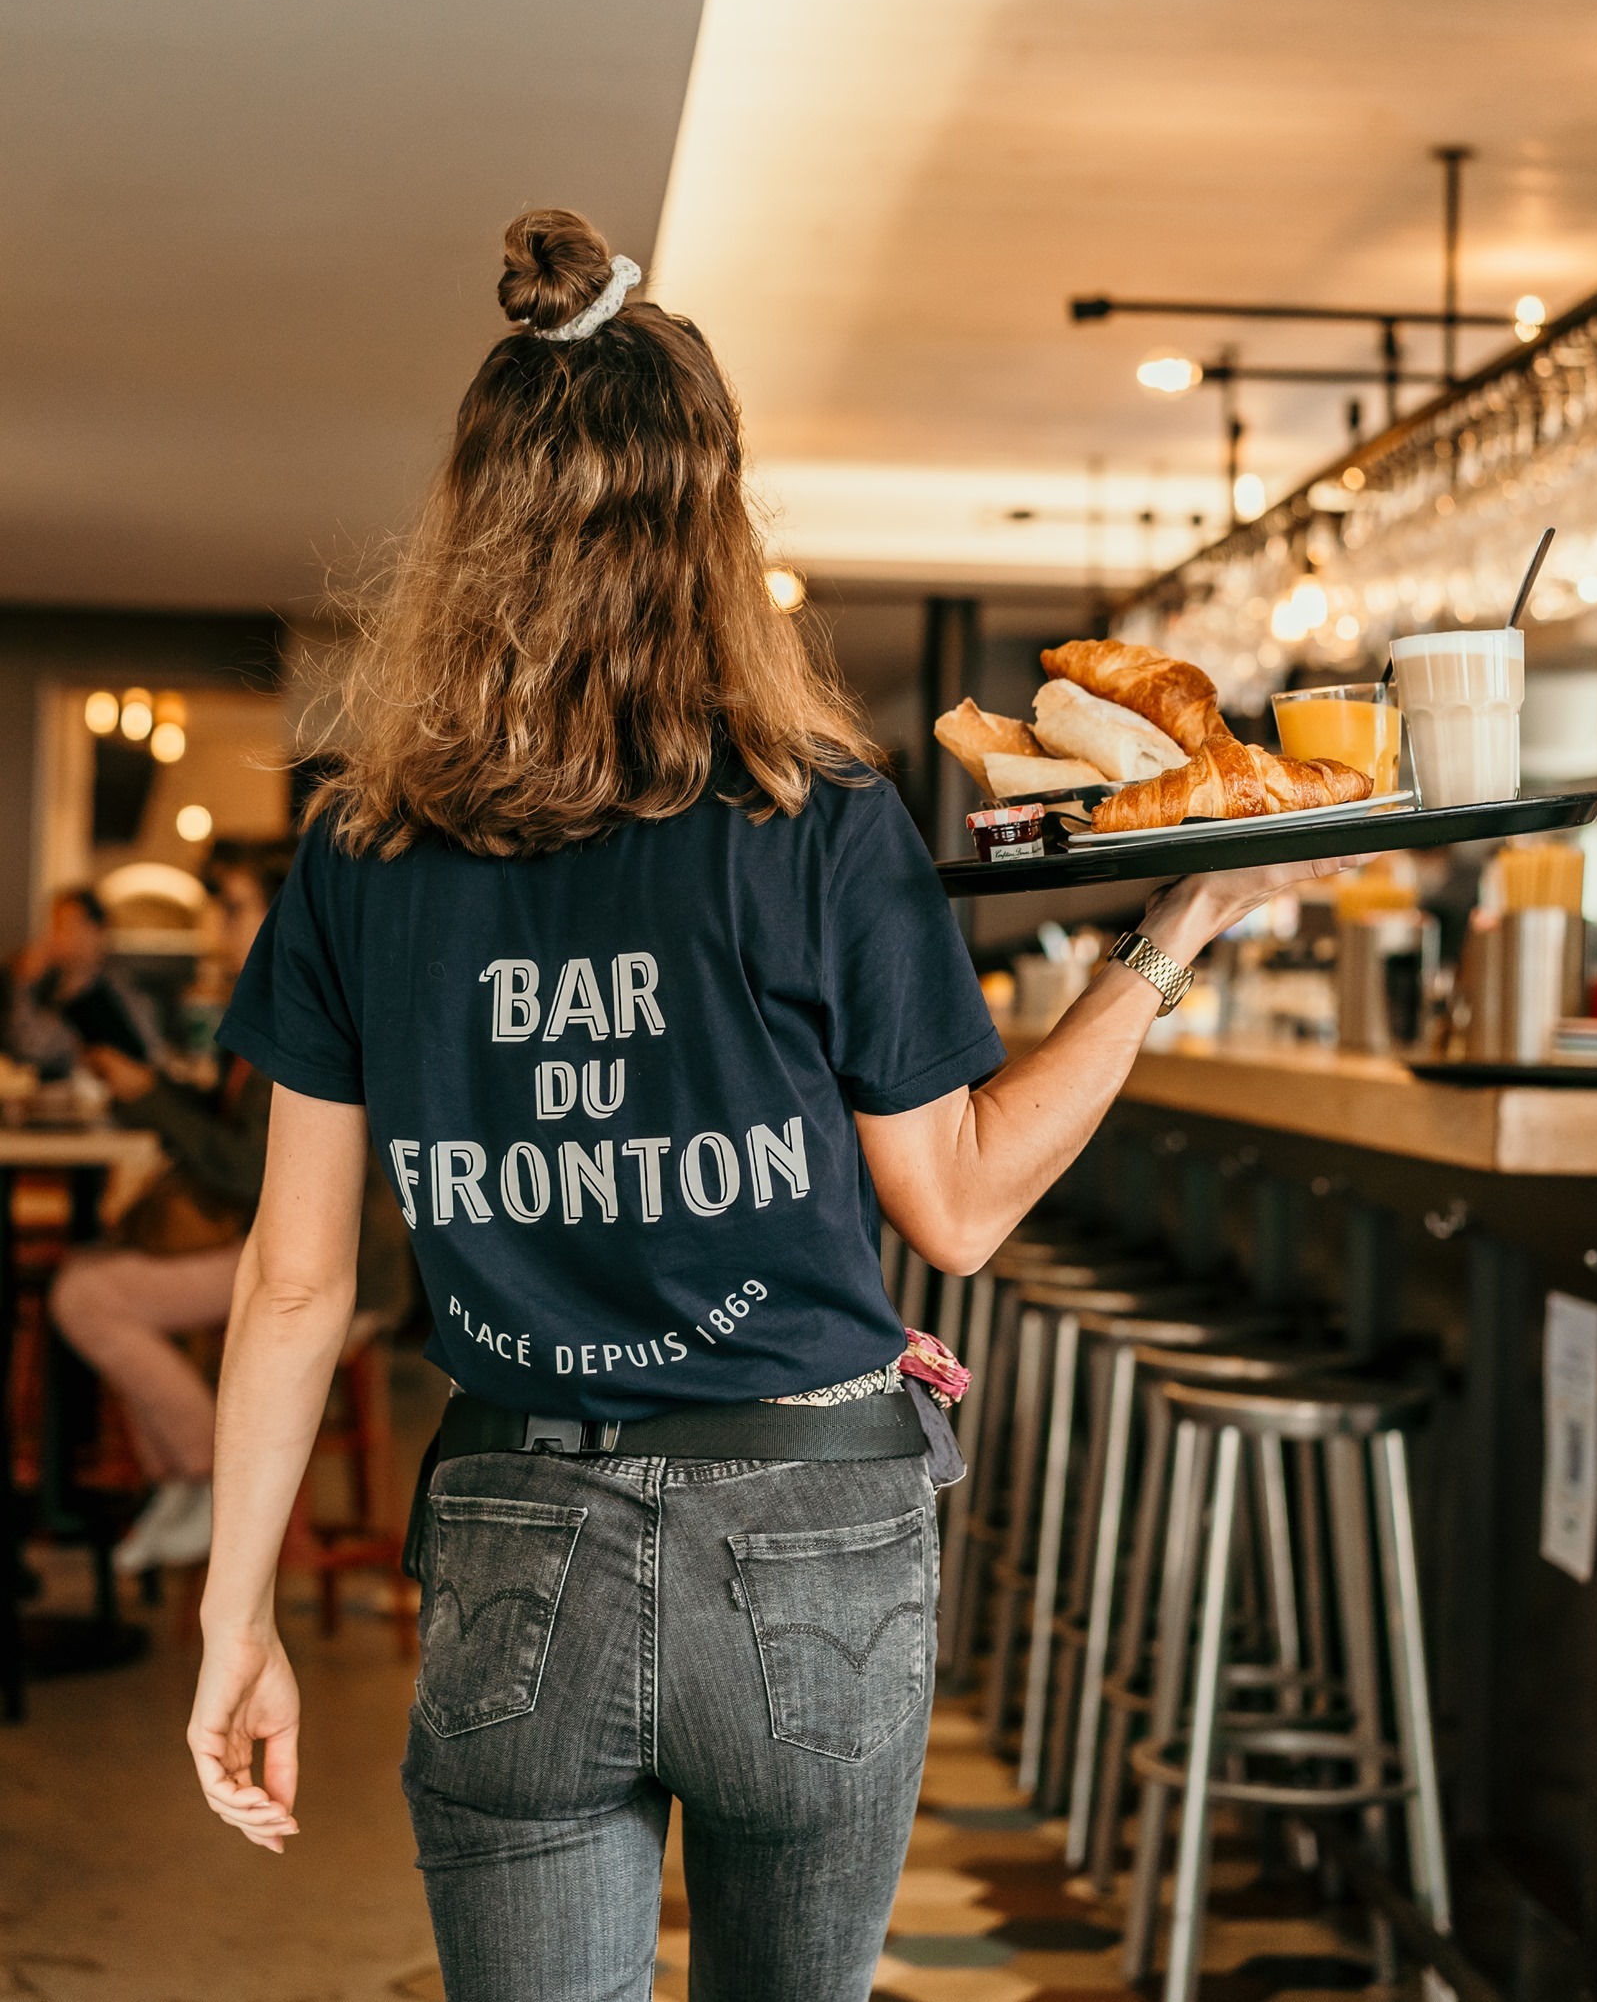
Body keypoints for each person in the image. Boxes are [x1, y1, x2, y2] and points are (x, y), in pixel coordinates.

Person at [185, 208, 1348, 2002]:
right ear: (716, 521)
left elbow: (292, 1279)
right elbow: (956, 1206)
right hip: (808, 1528)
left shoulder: (360, 848)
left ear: (469, 519)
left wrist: (234, 1615)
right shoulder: (819, 818)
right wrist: (1168, 935)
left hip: (514, 1520)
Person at [51, 842, 408, 1573]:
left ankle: (208, 1479)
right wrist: (148, 1088)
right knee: (87, 1272)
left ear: (286, 910)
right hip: (282, 1239)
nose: (217, 923)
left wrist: (150, 1097)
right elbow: (240, 1136)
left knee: (85, 1294)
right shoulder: (285, 993)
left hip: (331, 1261)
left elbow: (249, 1167)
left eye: (234, 906)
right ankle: (185, 1479)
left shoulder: (308, 1005)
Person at [7, 886, 162, 1077]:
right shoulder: (48, 984)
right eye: (57, 926)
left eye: (69, 926)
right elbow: (29, 1050)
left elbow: (152, 1053)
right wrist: (23, 983)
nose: (58, 936)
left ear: (98, 931)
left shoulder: (121, 986)